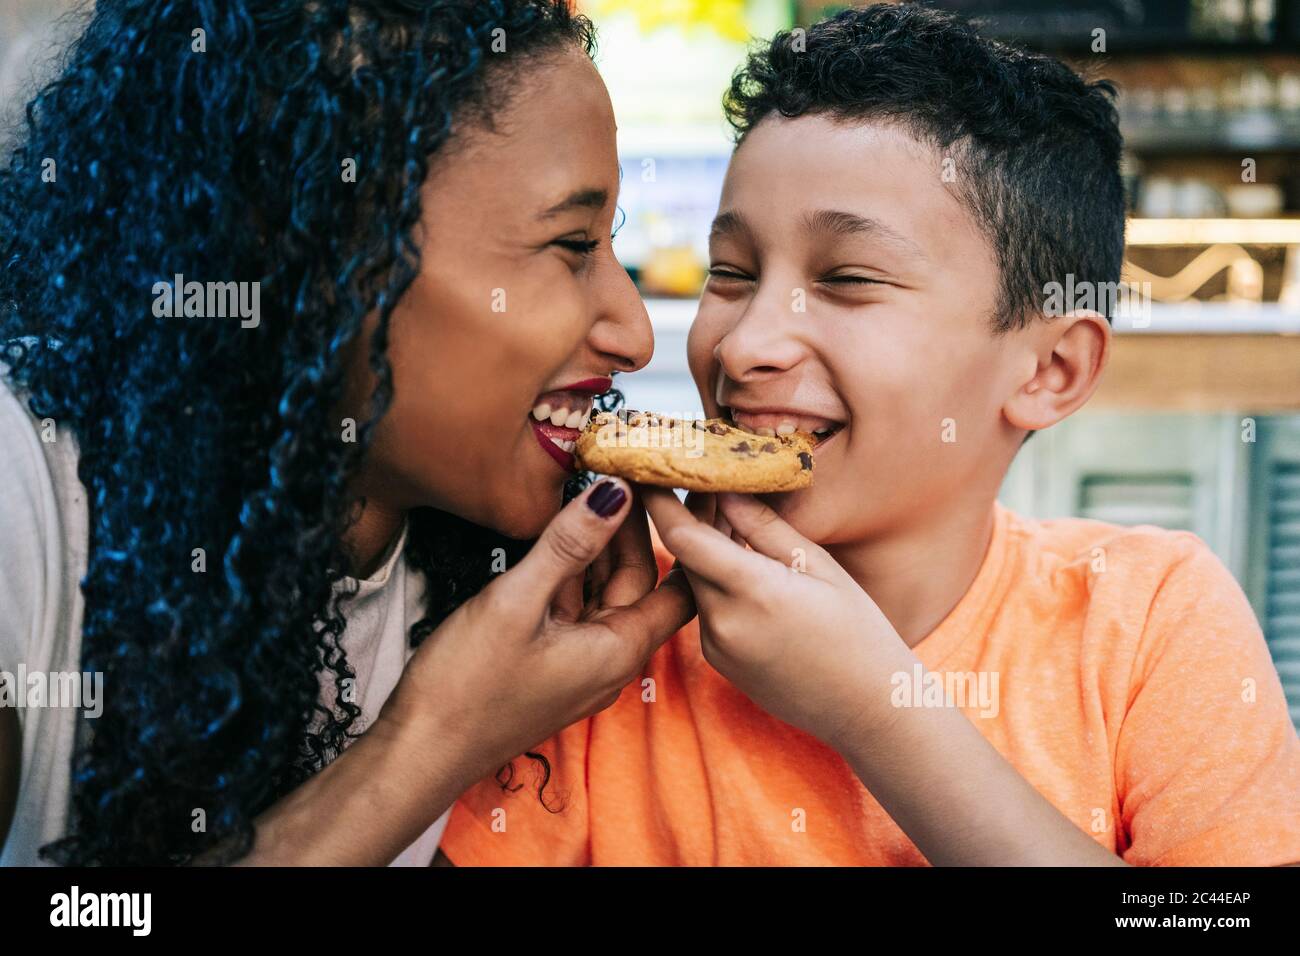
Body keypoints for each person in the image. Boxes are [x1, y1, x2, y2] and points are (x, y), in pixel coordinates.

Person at [438, 3, 1300, 866]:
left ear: (1050, 371)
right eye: (731, 274)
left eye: (847, 279)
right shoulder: (598, 638)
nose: (745, 345)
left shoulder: (1149, 618)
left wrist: (879, 712)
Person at [0, 0, 692, 866]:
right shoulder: (21, 484)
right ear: (320, 260)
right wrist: (428, 742)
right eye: (571, 243)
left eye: (612, 242)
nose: (636, 333)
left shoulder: (515, 587)